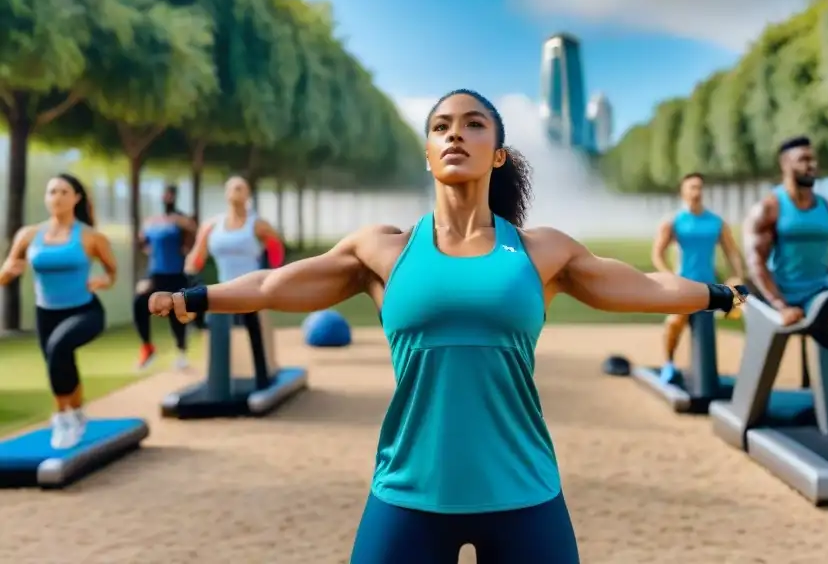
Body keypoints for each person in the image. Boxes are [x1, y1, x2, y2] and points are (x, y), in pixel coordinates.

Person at [150, 89, 747, 564]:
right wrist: (194, 298)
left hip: (523, 490)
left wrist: (723, 294)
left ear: (498, 154)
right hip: (409, 490)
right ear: (429, 153)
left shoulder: (540, 252)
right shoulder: (383, 251)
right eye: (441, 126)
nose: (455, 133)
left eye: (473, 124)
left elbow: (647, 287)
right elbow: (272, 285)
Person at [0, 174, 117, 449]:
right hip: (46, 314)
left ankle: (62, 418)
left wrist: (102, 281)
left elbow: (112, 272)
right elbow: (5, 273)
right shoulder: (28, 235)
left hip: (85, 311)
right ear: (46, 197)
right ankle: (77, 413)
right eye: (52, 191)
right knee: (60, 361)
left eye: (64, 192)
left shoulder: (91, 237)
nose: (57, 197)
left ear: (76, 198)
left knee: (59, 347)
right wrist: (8, 272)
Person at [743, 136, 828, 386]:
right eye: (803, 159)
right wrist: (779, 305)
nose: (811, 165)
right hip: (780, 294)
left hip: (818, 294)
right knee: (765, 355)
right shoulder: (770, 207)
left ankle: (825, 398)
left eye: (813, 159)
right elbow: (755, 261)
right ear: (785, 164)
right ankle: (754, 394)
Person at [184, 176, 285, 374]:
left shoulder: (258, 225)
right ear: (226, 193)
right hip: (225, 289)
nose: (236, 191)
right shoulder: (211, 226)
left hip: (253, 290)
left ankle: (266, 371)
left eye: (241, 188)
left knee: (257, 332)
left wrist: (274, 277)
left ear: (248, 194)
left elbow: (277, 250)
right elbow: (195, 259)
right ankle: (221, 377)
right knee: (219, 332)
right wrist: (191, 278)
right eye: (232, 188)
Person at [651, 172, 745, 383]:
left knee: (741, 307)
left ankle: (738, 372)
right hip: (683, 284)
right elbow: (657, 254)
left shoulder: (716, 222)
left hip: (709, 285)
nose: (696, 192)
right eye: (692, 187)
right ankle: (668, 364)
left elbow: (731, 252)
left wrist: (737, 276)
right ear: (683, 192)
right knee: (675, 322)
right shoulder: (673, 221)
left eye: (700, 187)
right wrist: (669, 277)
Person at [134, 183, 196, 370]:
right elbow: (143, 243)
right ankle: (147, 348)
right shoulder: (153, 221)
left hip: (176, 274)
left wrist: (186, 248)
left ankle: (181, 352)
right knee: (139, 303)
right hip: (155, 274)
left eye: (170, 194)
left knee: (176, 313)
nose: (167, 197)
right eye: (165, 194)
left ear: (175, 197)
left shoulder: (182, 220)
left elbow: (193, 239)